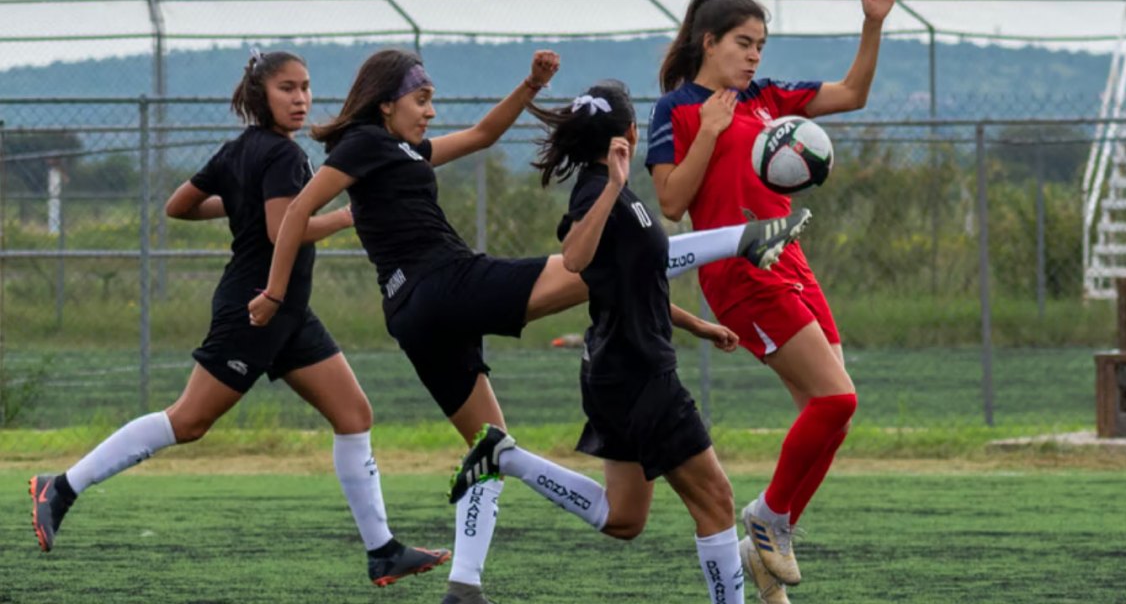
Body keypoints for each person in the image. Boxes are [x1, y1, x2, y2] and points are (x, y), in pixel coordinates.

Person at [247, 47, 809, 604]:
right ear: (386, 103)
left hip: (413, 316)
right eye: (421, 99)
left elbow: (484, 134)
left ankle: (464, 585)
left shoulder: (401, 149)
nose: (431, 111)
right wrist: (274, 292)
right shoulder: (365, 143)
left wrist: (531, 85)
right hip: (447, 283)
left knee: (489, 441)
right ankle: (743, 239)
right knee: (593, 264)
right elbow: (295, 213)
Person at [29, 48, 449, 588]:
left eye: (305, 87)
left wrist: (242, 202)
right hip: (255, 307)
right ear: (260, 96)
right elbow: (283, 231)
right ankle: (60, 487)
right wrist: (348, 215)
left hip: (289, 313)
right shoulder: (284, 156)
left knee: (353, 414)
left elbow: (180, 205)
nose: (300, 99)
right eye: (286, 89)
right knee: (188, 421)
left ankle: (383, 551)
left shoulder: (238, 150)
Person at [645, 0, 901, 604]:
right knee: (836, 401)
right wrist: (709, 132)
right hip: (740, 272)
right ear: (709, 42)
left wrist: (872, 24)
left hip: (791, 261)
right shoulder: (677, 109)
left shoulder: (766, 98)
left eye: (760, 44)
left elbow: (852, 94)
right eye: (743, 43)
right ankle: (767, 519)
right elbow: (671, 203)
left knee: (832, 417)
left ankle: (759, 557)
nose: (754, 56)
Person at [448, 80, 750, 603]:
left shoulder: (619, 193)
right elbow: (574, 258)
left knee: (624, 518)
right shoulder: (598, 190)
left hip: (617, 370)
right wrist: (612, 186)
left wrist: (696, 325)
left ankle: (506, 457)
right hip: (639, 374)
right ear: (629, 133)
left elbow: (632, 285)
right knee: (717, 501)